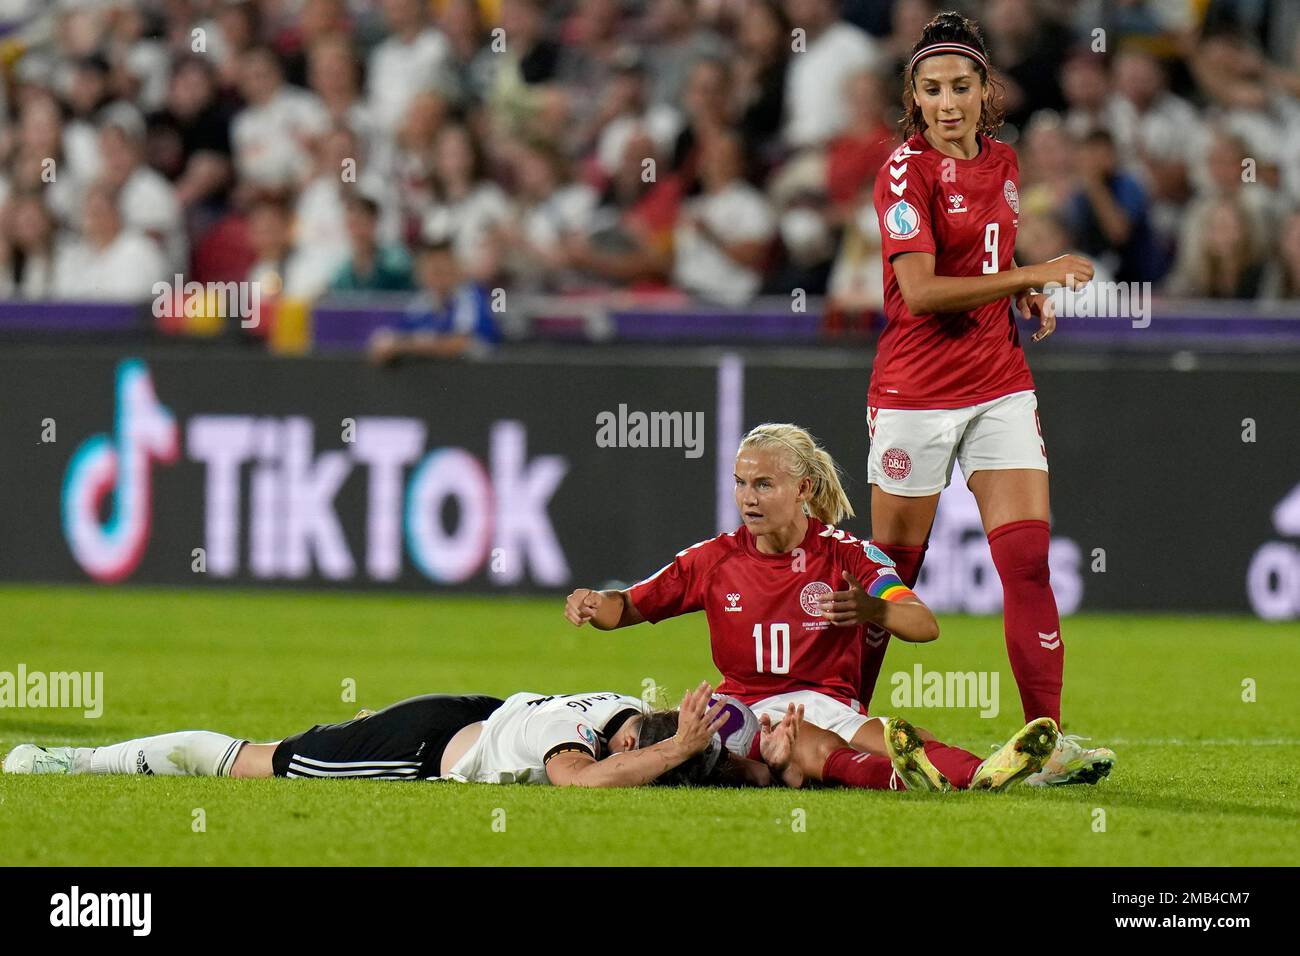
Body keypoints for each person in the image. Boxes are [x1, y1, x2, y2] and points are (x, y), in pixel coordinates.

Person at [866, 11, 1114, 785]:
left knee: (1029, 562)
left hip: (998, 383)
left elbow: (989, 257)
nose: (948, 102)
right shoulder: (903, 175)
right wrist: (1034, 278)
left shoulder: (1004, 162)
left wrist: (1019, 297)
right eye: (932, 88)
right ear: (914, 97)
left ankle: (1048, 741)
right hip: (915, 391)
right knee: (891, 580)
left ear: (985, 91)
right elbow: (922, 289)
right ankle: (839, 721)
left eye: (961, 86)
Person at [565, 422, 1077, 792]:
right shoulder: (713, 560)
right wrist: (595, 603)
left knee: (900, 737)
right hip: (742, 712)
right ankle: (909, 782)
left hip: (831, 704)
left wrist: (872, 611)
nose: (748, 497)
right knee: (808, 741)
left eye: (763, 484)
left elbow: (924, 625)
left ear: (802, 488)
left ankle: (985, 772)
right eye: (741, 483)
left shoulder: (846, 555)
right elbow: (628, 607)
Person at [3, 683, 736, 789]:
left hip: (464, 713)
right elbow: (577, 781)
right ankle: (63, 760)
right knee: (245, 761)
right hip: (421, 747)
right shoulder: (574, 739)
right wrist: (676, 752)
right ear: (631, 744)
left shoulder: (619, 708)